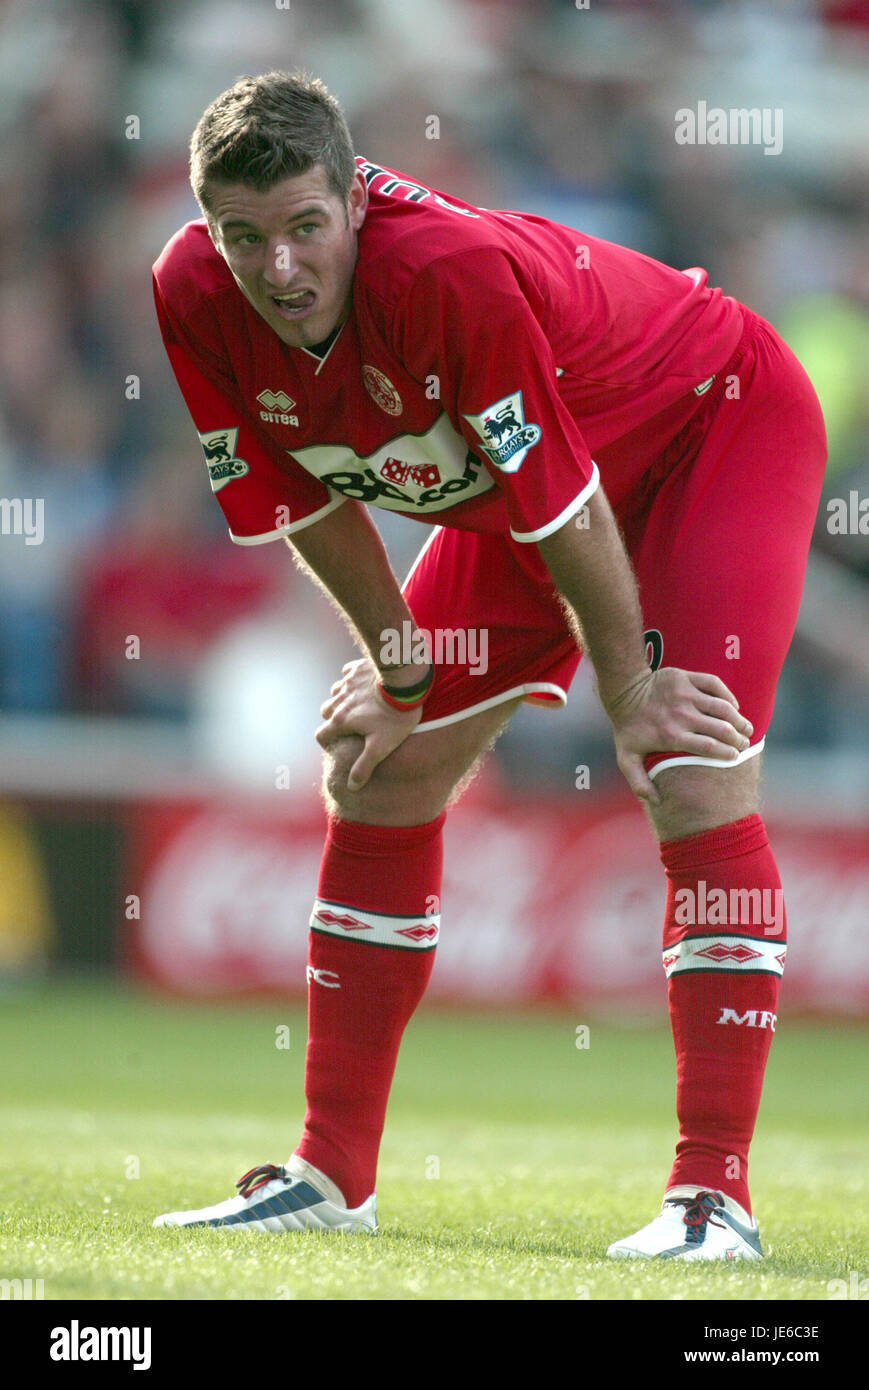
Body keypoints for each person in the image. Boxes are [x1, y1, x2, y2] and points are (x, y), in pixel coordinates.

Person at [151, 71, 826, 1259]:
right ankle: (328, 1176)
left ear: (354, 201)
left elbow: (563, 503)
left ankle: (712, 1197)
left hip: (707, 427)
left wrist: (626, 692)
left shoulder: (440, 273)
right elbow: (297, 495)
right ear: (208, 226)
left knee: (686, 761)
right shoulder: (189, 289)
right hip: (528, 495)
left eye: (305, 226)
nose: (280, 268)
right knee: (380, 768)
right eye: (245, 236)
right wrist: (398, 666)